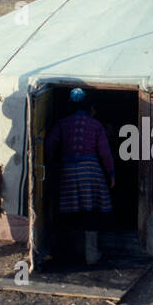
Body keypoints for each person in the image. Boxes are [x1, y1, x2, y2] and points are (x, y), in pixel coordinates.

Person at [45, 87, 114, 264]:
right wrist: (111, 174)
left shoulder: (62, 123)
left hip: (68, 171)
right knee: (91, 212)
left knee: (71, 212)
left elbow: (50, 144)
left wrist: (50, 164)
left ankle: (73, 253)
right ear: (90, 107)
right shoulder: (96, 125)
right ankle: (91, 254)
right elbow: (105, 152)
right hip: (91, 172)